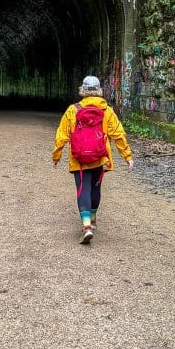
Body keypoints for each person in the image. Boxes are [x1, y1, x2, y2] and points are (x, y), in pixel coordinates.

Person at [52, 75, 134, 244]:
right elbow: (118, 135)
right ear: (99, 91)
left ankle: (86, 225)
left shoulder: (72, 110)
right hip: (99, 157)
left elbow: (62, 135)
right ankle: (94, 218)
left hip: (79, 159)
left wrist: (56, 155)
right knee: (95, 189)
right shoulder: (107, 111)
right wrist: (127, 156)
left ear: (83, 90)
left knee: (83, 189)